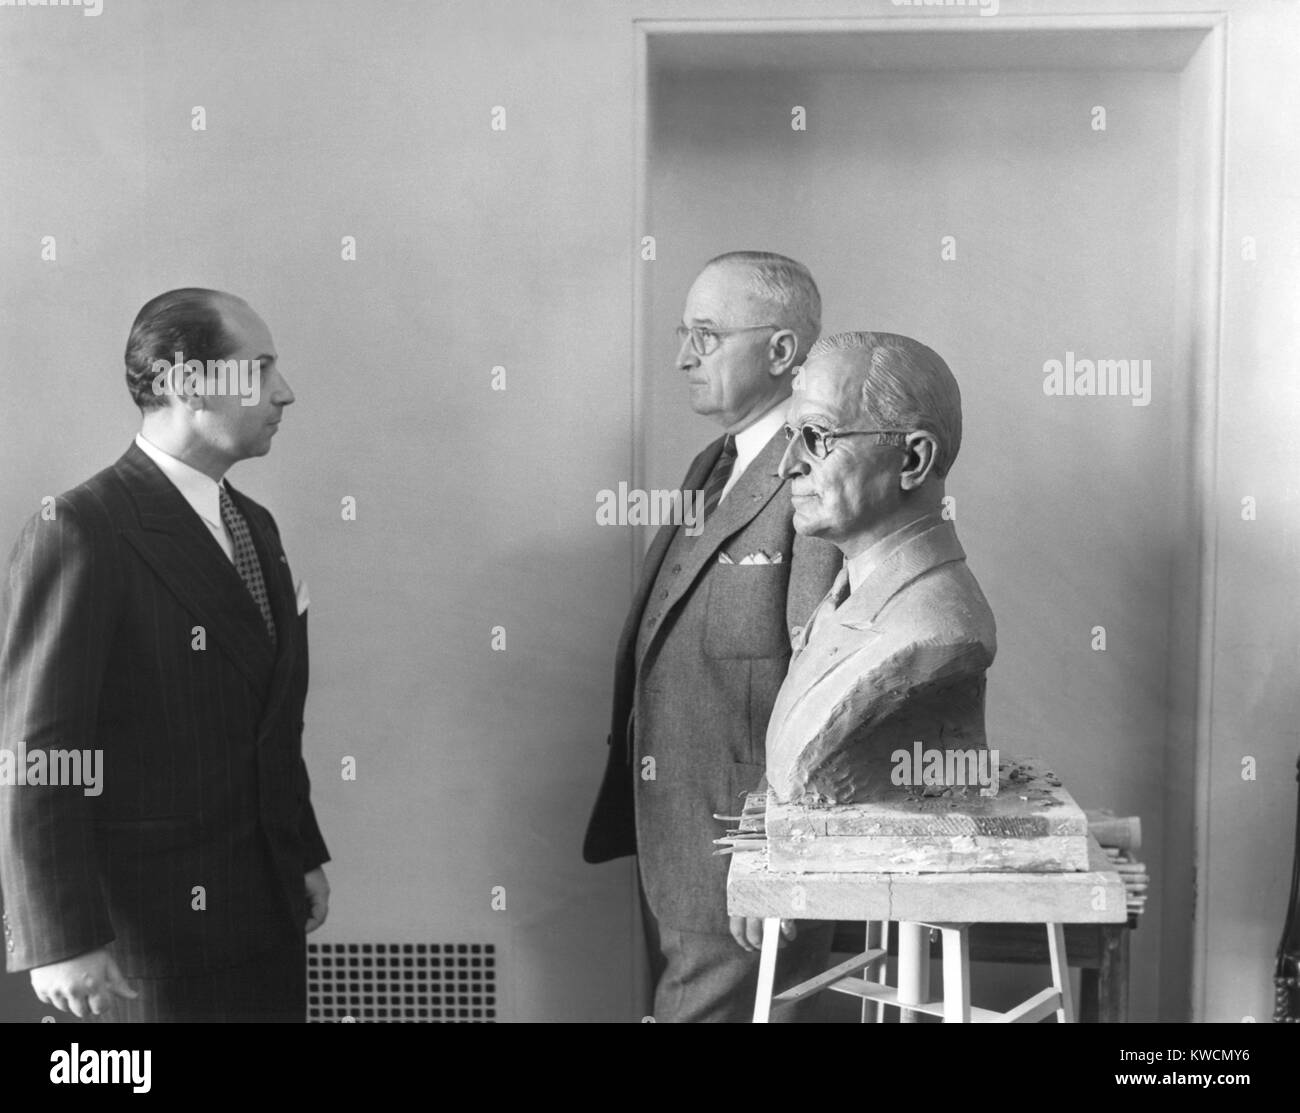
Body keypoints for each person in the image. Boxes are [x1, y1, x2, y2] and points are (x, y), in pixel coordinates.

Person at [0, 288, 330, 1022]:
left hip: (266, 915)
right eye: (262, 367)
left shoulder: (254, 524)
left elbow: (270, 717)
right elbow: (37, 752)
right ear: (187, 382)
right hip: (151, 948)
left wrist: (300, 850)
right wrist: (58, 936)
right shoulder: (82, 528)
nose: (285, 392)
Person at [584, 252, 841, 1021]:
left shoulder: (815, 469)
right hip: (675, 831)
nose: (682, 356)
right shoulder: (714, 463)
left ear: (782, 351)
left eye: (706, 334)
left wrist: (774, 848)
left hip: (740, 844)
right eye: (682, 332)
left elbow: (820, 684)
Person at [766, 331, 996, 806]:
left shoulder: (938, 627)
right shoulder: (844, 597)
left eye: (815, 436)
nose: (788, 465)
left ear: (912, 459)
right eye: (791, 436)